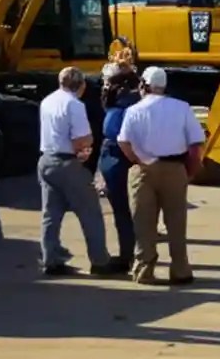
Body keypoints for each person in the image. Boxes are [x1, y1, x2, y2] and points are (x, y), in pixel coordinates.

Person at [117, 66, 206, 285]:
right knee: (176, 222)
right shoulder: (182, 108)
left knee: (143, 223)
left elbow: (123, 141)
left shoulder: (134, 110)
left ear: (144, 86)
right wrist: (191, 170)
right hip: (174, 167)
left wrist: (137, 160)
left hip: (143, 169)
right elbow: (197, 143)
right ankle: (180, 269)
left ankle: (144, 269)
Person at [37, 66, 122, 277]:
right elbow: (80, 138)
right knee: (90, 213)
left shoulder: (48, 101)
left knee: (51, 214)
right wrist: (88, 148)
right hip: (68, 163)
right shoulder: (74, 105)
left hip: (46, 160)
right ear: (81, 86)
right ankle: (100, 261)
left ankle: (51, 259)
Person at [97, 59, 142, 273]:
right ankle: (132, 253)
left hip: (118, 157)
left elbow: (120, 136)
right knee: (127, 210)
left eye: (107, 80)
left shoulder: (123, 105)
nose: (104, 84)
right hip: (117, 157)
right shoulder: (128, 101)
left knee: (123, 211)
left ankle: (128, 255)